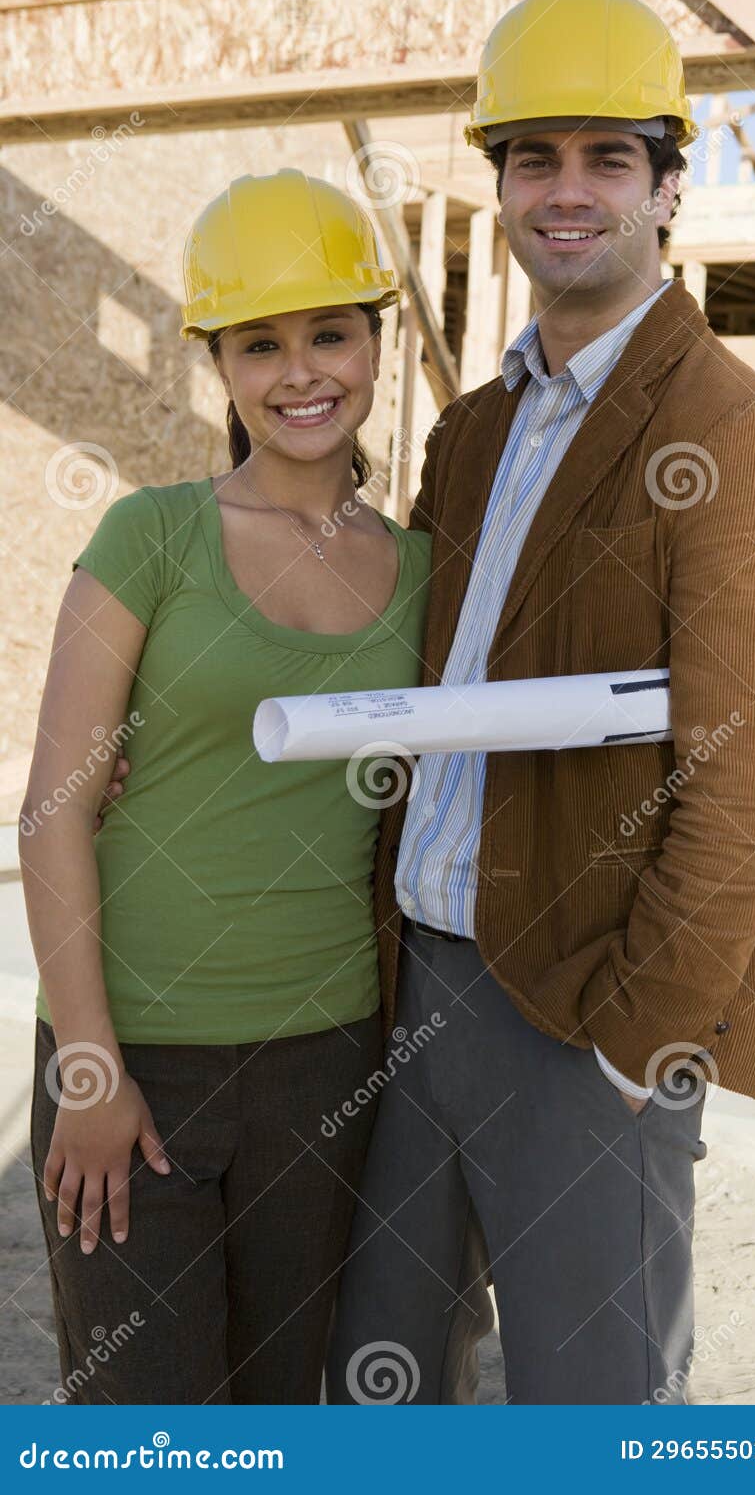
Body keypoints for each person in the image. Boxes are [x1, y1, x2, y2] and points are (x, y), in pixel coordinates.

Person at [323, 0, 755, 1406]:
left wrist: (636, 1042)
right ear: (496, 183)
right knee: (385, 1384)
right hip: (421, 976)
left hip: (588, 1013)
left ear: (667, 187)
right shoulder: (474, 431)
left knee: (592, 1406)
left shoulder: (739, 437)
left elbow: (753, 785)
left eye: (606, 158)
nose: (565, 191)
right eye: (531, 158)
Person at [20, 169, 431, 1404]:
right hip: (137, 1054)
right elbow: (54, 808)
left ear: (374, 344)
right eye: (261, 343)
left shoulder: (422, 572)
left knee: (277, 1405)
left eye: (329, 334)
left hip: (327, 1053)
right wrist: (87, 1062)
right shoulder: (154, 537)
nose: (301, 372)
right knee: (143, 1425)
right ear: (220, 363)